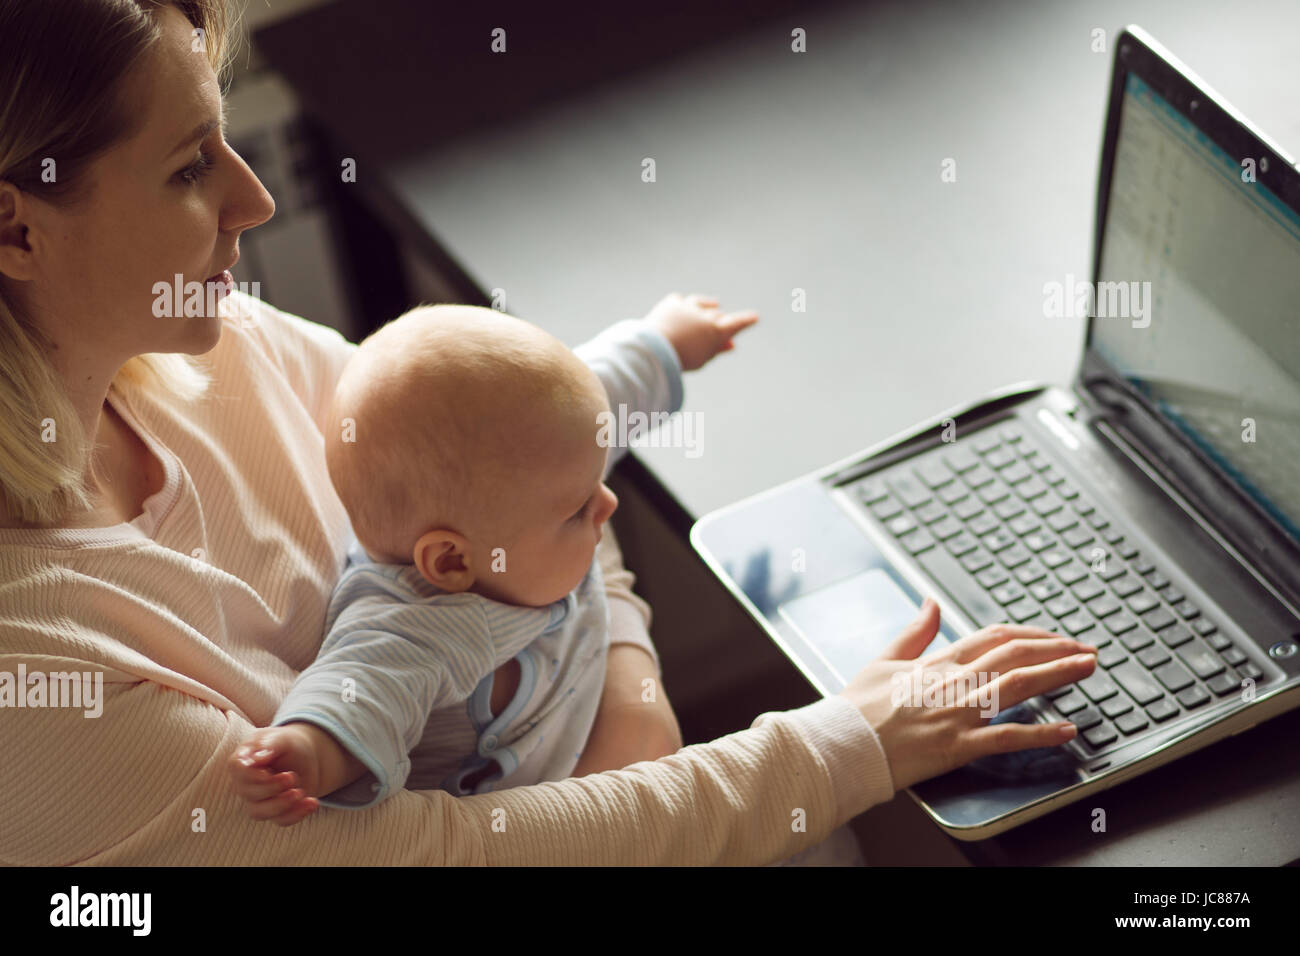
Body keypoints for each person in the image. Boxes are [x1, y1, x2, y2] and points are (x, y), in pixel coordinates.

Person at [0, 0, 1097, 866]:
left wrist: (630, 704)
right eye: (190, 166)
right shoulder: (32, 673)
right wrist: (846, 745)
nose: (256, 200)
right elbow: (449, 857)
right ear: (16, 226)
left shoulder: (217, 340)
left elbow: (527, 455)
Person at [229, 302, 741, 820]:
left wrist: (666, 342)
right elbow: (359, 692)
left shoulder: (530, 472)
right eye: (576, 510)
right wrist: (307, 752)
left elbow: (601, 395)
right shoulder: (417, 627)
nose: (608, 502)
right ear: (451, 561)